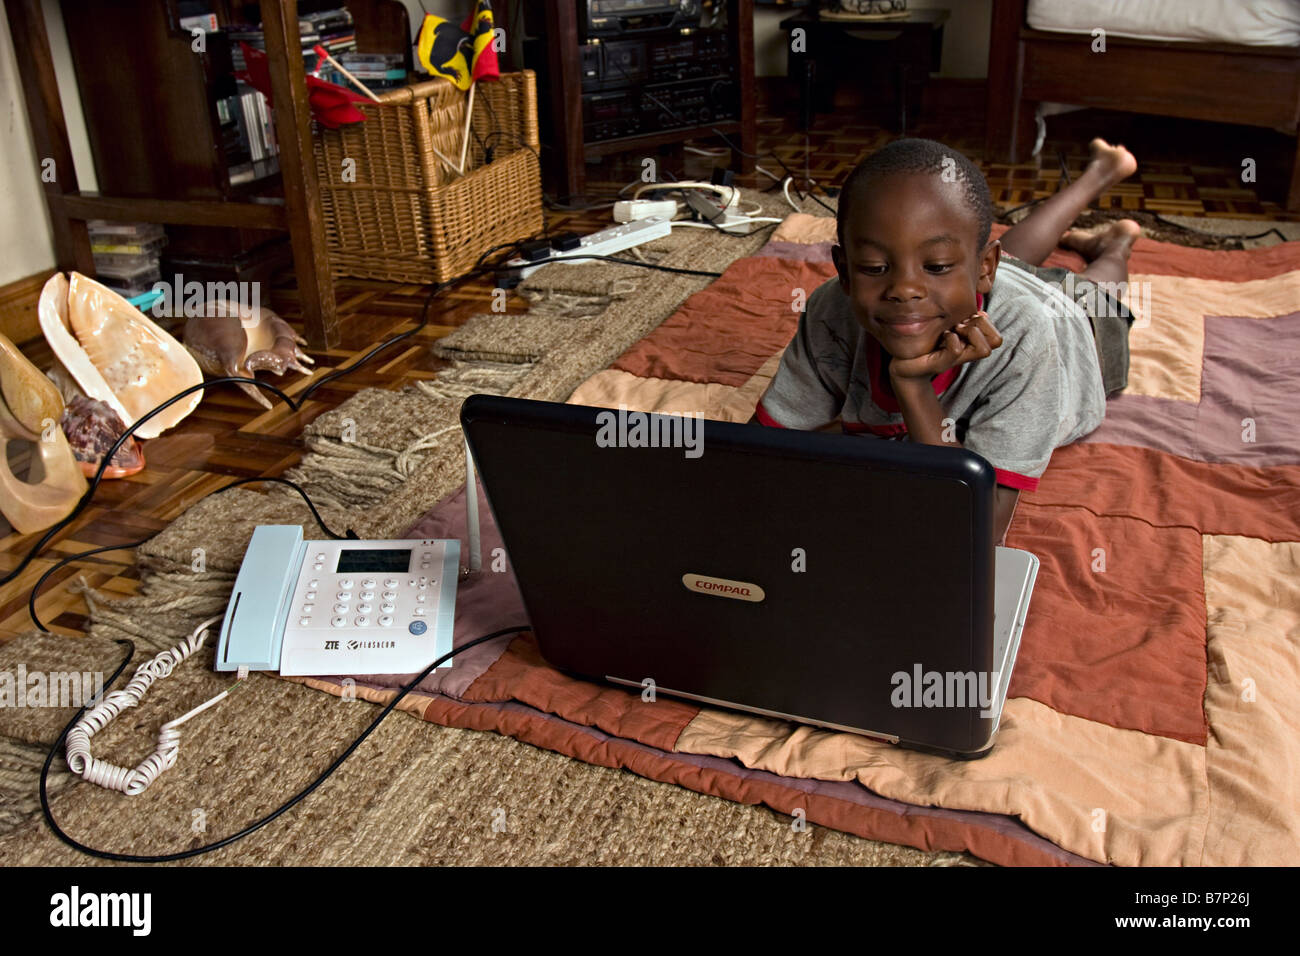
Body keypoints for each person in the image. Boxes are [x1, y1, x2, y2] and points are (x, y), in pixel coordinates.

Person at [751, 137, 1140, 543]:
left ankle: (1115, 242)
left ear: (986, 268)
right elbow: (759, 456)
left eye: (935, 266)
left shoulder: (1027, 339)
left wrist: (913, 386)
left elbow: (976, 526)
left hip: (1073, 329)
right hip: (981, 286)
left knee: (1096, 290)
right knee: (998, 258)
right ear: (844, 271)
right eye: (874, 267)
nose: (904, 289)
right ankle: (1102, 171)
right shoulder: (831, 310)